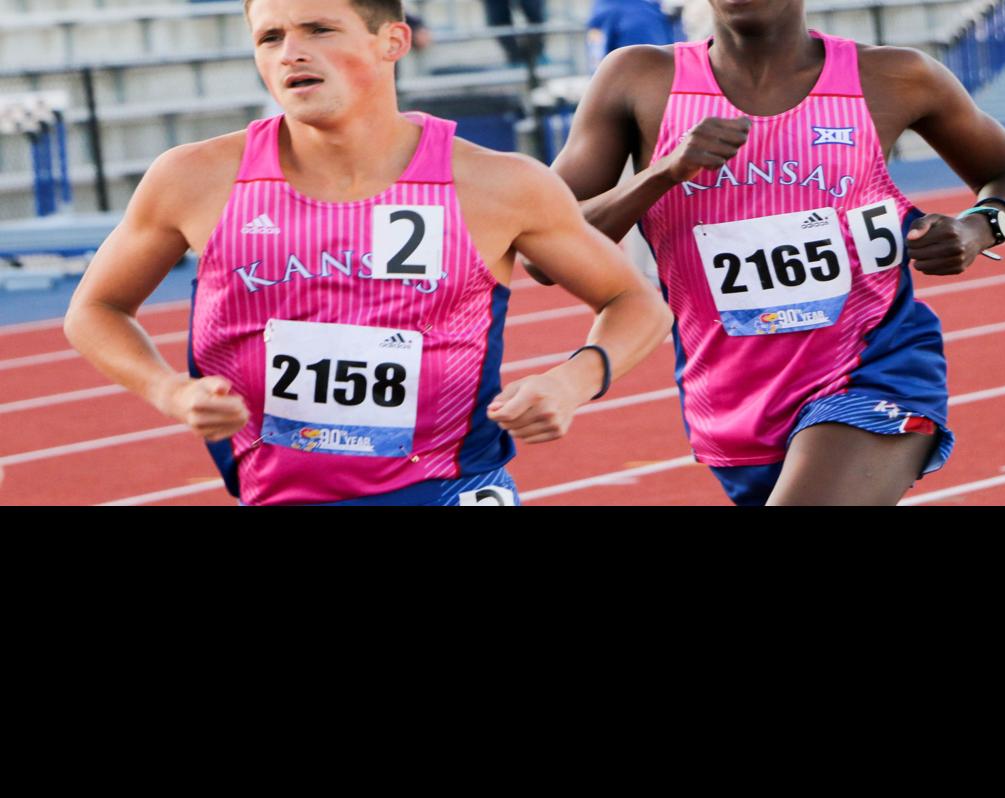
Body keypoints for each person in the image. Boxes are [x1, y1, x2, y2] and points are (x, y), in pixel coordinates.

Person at [63, 0, 671, 506]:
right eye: (269, 37)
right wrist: (169, 392)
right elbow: (95, 309)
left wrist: (572, 380)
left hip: (451, 489)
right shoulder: (193, 179)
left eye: (318, 29)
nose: (290, 53)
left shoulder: (497, 184)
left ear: (393, 41)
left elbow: (635, 302)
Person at [534, 0, 1005, 505]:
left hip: (872, 369)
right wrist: (660, 174)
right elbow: (544, 252)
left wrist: (978, 230)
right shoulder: (639, 79)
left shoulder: (893, 76)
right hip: (730, 399)